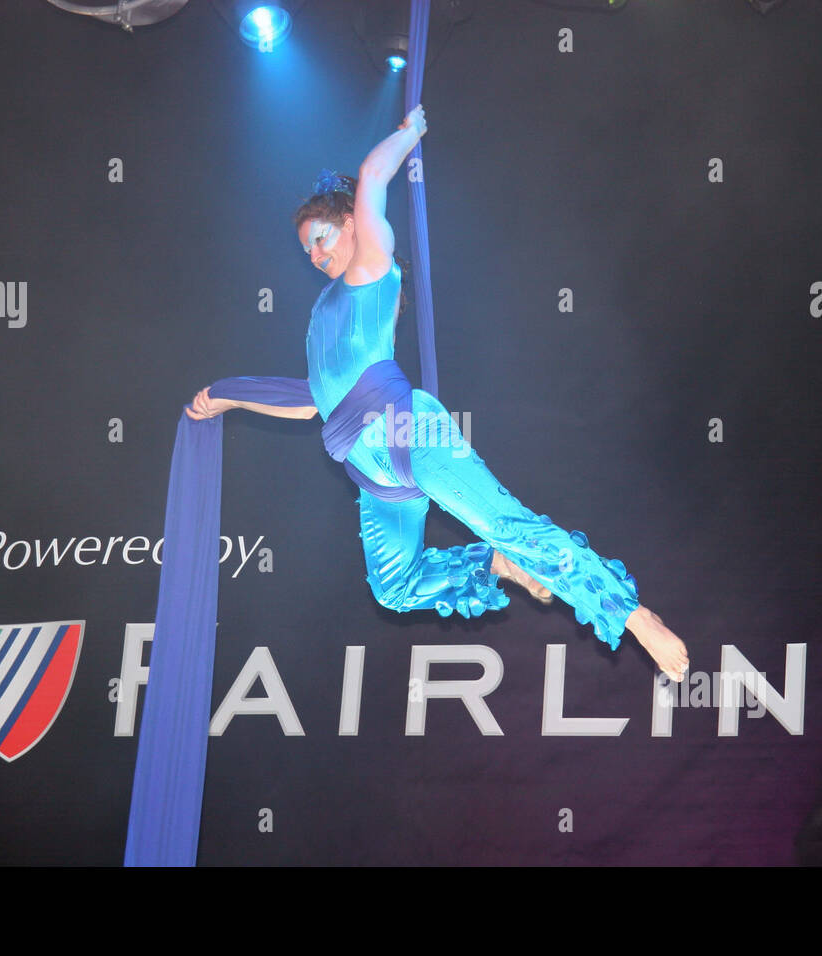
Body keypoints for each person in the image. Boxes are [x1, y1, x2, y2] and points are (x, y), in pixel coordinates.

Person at [186, 105, 689, 682]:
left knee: (506, 521)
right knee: (394, 589)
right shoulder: (322, 311)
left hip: (406, 432)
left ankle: (630, 613)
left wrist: (408, 134)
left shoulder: (369, 271)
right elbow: (312, 401)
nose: (315, 255)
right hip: (370, 474)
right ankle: (495, 565)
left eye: (320, 239)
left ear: (350, 223)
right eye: (306, 251)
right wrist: (228, 396)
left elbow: (372, 178)